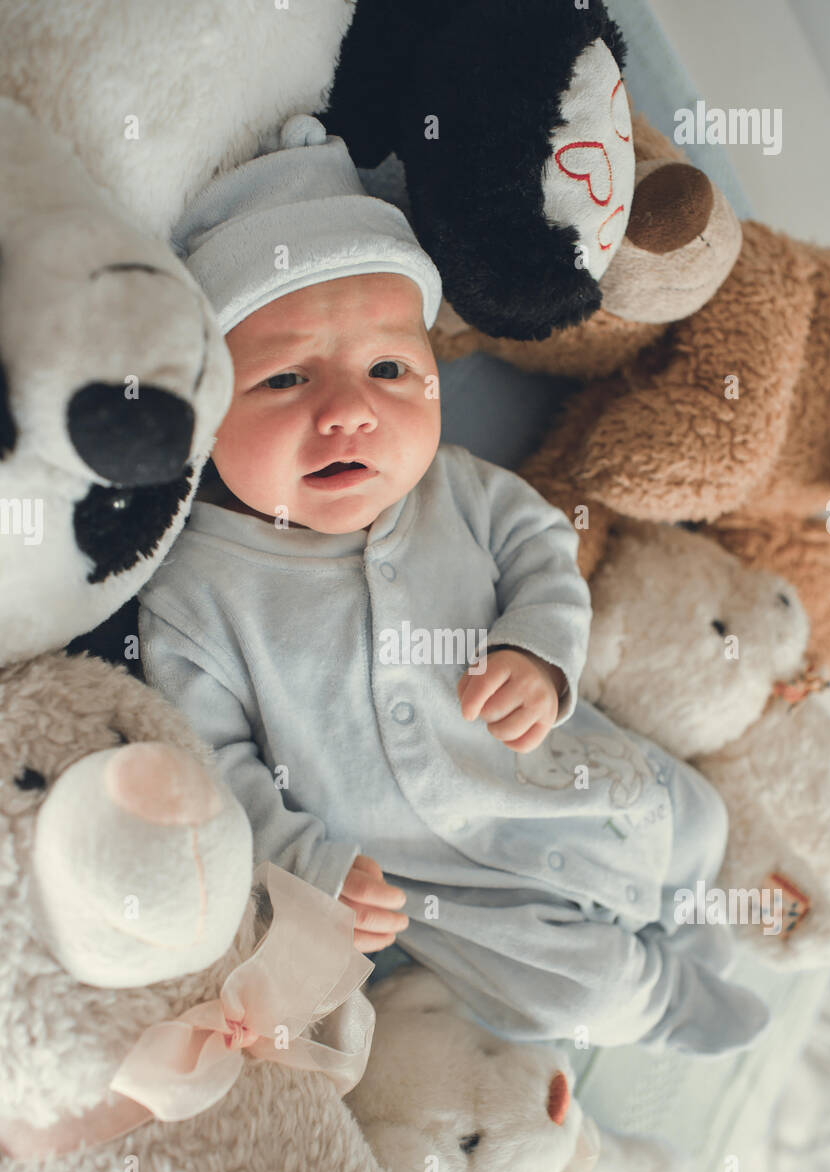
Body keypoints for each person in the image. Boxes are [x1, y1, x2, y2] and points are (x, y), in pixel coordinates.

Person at [139, 116, 768, 1053]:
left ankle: (697, 917)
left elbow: (542, 549)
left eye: (390, 368)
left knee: (689, 822)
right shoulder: (192, 593)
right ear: (206, 405)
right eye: (284, 381)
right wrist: (309, 863)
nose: (349, 412)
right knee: (568, 993)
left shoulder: (456, 488)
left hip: (551, 780)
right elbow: (215, 763)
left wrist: (540, 653)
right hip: (446, 887)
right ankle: (665, 1003)